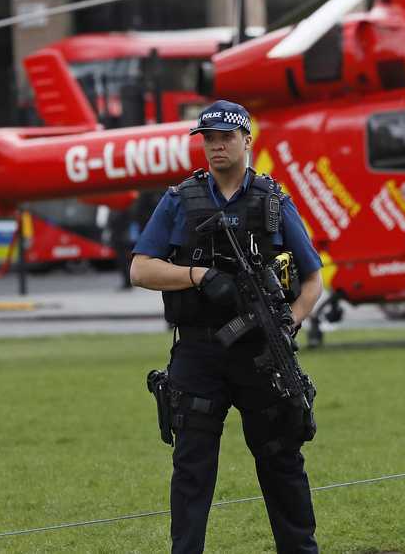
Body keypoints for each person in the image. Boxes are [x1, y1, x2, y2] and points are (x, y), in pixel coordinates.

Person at [131, 100, 324, 554]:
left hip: (261, 355)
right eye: (209, 139)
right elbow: (140, 269)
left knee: (282, 461)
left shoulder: (274, 201)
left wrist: (287, 324)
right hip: (198, 353)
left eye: (225, 137)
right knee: (192, 469)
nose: (216, 146)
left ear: (246, 140)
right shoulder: (179, 200)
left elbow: (313, 279)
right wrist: (197, 276)